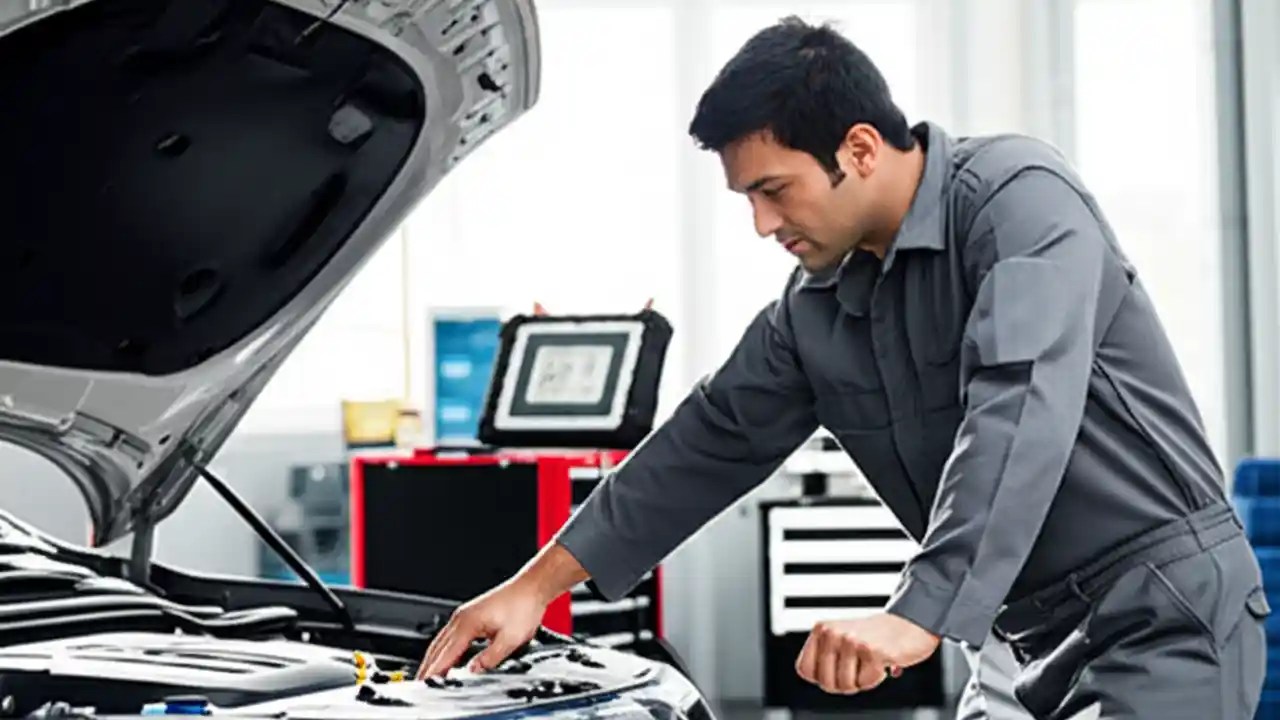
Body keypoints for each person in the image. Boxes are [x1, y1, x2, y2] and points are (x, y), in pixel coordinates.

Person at [417, 16, 1269, 720]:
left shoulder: (1020, 200)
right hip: (1017, 637)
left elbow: (1021, 404)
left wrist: (917, 614)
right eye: (746, 198)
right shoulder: (814, 306)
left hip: (1157, 613)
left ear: (859, 149)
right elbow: (707, 440)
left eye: (775, 190)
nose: (760, 224)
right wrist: (535, 586)